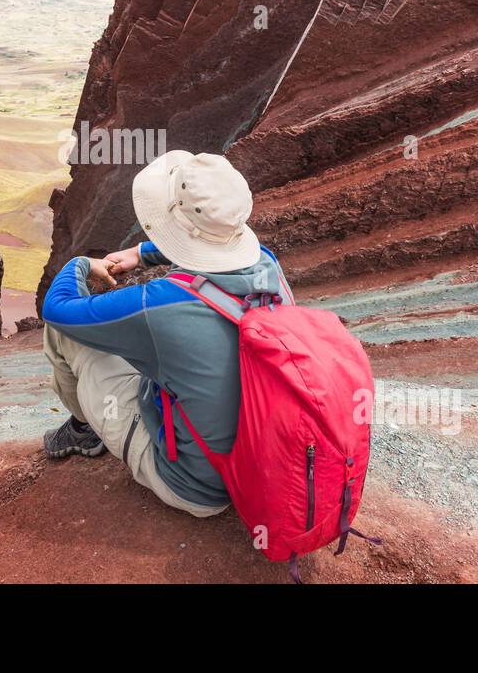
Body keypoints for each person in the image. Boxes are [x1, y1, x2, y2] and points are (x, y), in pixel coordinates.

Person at [40, 150, 292, 517]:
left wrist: (79, 264)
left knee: (67, 336)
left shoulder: (163, 305)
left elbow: (58, 310)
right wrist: (144, 254)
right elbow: (213, 246)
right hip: (259, 465)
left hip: (195, 487)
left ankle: (84, 430)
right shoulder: (268, 267)